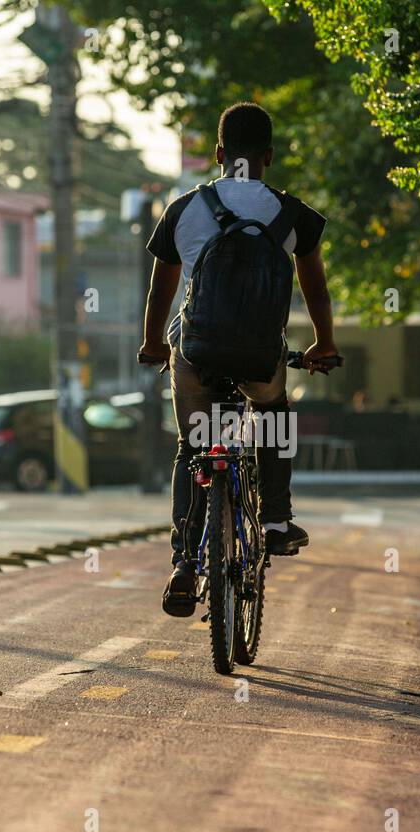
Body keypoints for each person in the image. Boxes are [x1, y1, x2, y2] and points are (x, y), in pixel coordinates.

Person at [138, 101, 339, 617]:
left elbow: (160, 292)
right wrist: (323, 343)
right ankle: (274, 520)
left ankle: (185, 563)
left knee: (192, 444)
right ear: (268, 156)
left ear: (220, 154)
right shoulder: (291, 212)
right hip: (259, 353)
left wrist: (155, 343)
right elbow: (315, 287)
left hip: (196, 351)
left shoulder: (184, 209)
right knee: (272, 414)